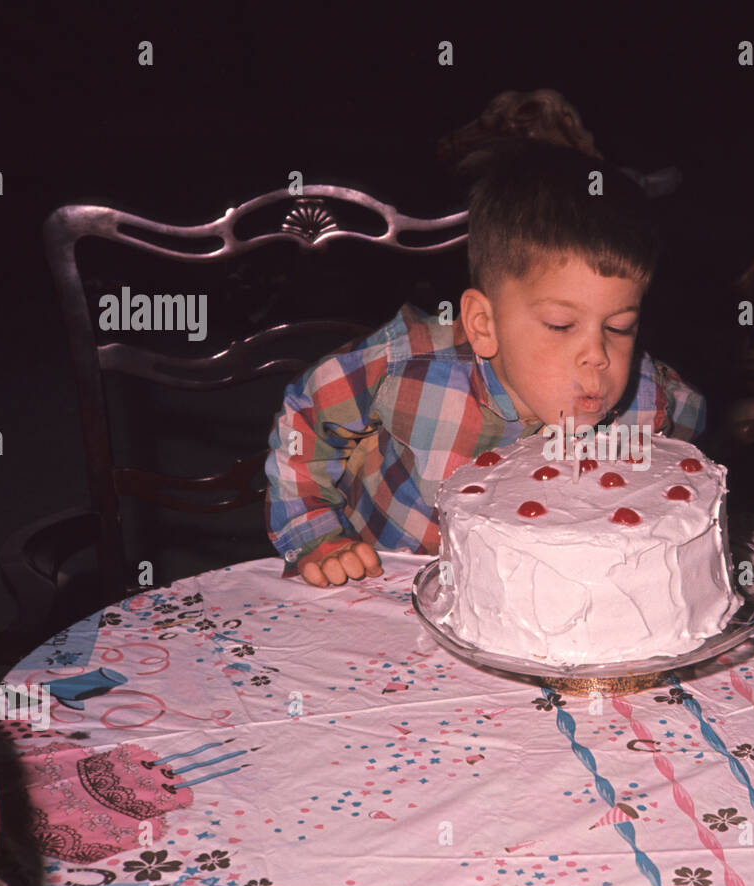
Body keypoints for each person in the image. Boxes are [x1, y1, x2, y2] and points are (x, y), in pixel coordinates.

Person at [265, 139, 705, 586]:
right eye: (559, 324)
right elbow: (306, 417)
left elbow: (694, 436)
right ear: (483, 323)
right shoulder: (407, 369)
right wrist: (317, 535)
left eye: (619, 327)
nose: (597, 355)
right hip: (384, 587)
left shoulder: (648, 402)